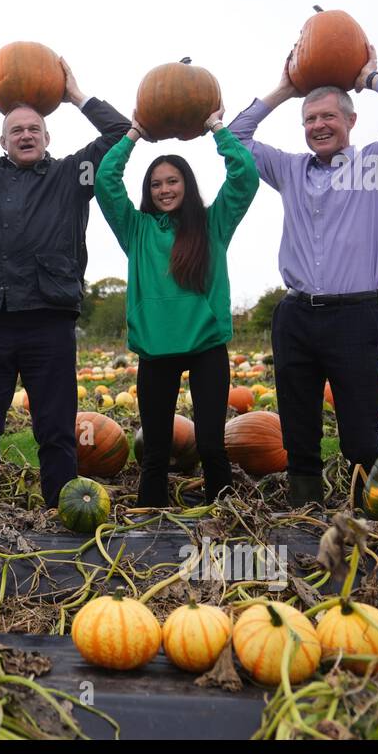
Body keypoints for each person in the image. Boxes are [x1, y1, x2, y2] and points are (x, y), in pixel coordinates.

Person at [0, 60, 129, 509]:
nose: (26, 135)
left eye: (34, 129)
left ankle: (61, 509)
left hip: (48, 319)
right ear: (2, 141)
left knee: (55, 426)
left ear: (48, 137)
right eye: (16, 130)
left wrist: (77, 96)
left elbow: (120, 134)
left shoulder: (75, 176)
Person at [228, 46, 378, 508]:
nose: (318, 126)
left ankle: (365, 511)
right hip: (295, 315)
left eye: (327, 117)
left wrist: (370, 78)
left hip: (354, 315)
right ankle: (306, 511)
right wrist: (284, 89)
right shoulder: (289, 169)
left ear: (351, 121)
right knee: (297, 425)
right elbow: (235, 136)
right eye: (309, 119)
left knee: (361, 427)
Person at [95, 106, 260, 508]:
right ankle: (151, 517)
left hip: (206, 348)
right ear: (148, 191)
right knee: (153, 452)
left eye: (172, 181)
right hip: (155, 351)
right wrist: (134, 133)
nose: (164, 189)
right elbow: (105, 180)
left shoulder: (212, 223)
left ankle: (226, 518)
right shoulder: (136, 229)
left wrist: (215, 127)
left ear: (186, 184)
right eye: (156, 184)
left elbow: (245, 177)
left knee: (210, 444)